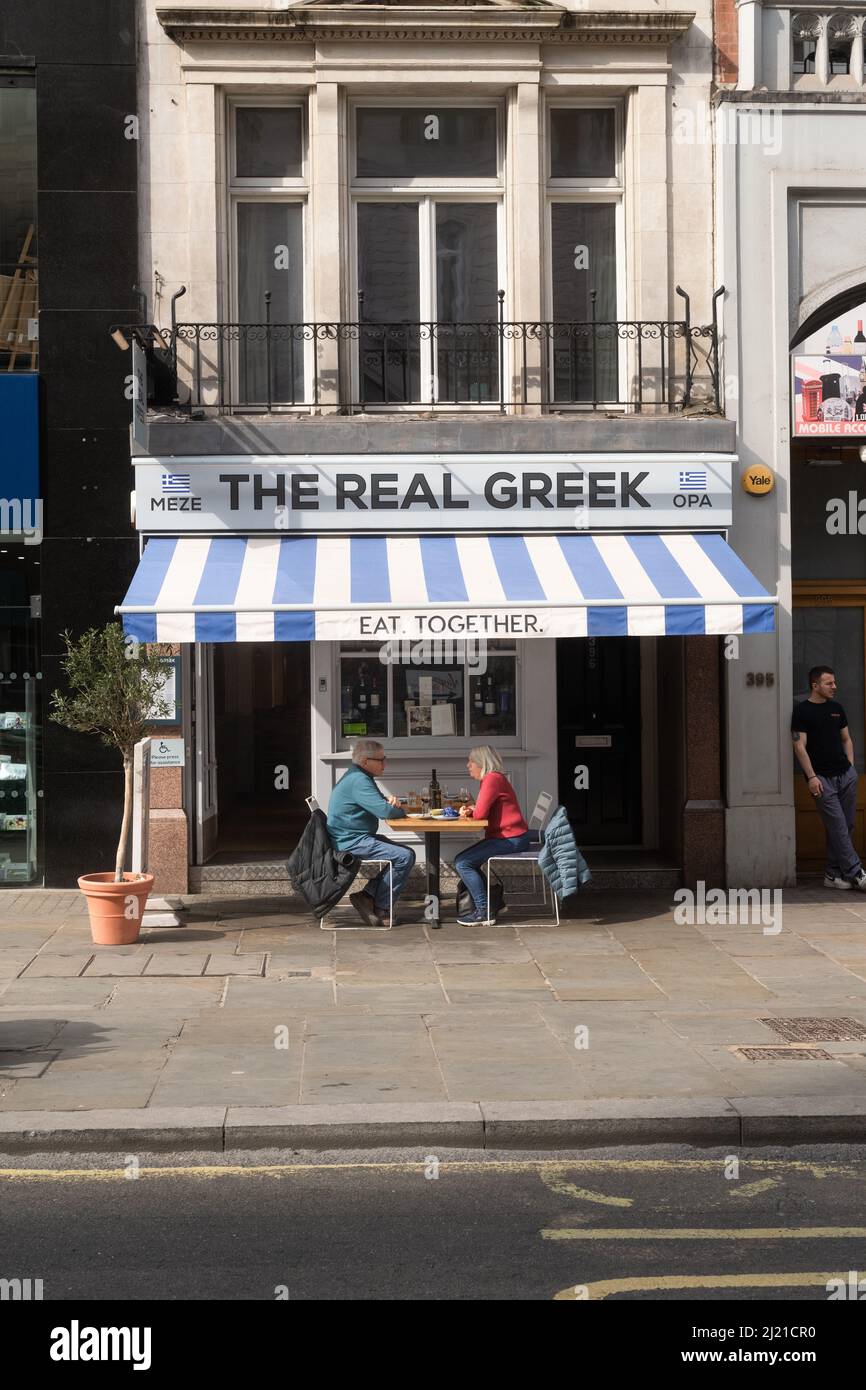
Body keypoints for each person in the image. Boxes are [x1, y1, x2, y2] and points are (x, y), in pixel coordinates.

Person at [791, 666, 866, 891]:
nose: (834, 687)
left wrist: (851, 768)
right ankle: (856, 873)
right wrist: (811, 777)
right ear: (815, 686)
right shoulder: (802, 711)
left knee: (847, 825)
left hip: (845, 776)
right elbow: (798, 746)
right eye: (829, 683)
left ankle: (832, 874)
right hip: (821, 779)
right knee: (838, 825)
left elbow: (846, 739)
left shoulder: (837, 708)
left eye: (834, 682)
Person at [326, 739, 415, 925]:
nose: (385, 763)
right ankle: (381, 907)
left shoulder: (360, 776)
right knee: (405, 856)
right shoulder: (359, 780)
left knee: (407, 854)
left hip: (355, 836)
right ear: (366, 761)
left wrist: (390, 803)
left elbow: (381, 803)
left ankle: (367, 896)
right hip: (351, 841)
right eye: (381, 759)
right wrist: (399, 809)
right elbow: (384, 811)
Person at [453, 745, 531, 924]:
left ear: (481, 763)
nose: (468, 765)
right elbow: (483, 810)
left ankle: (484, 911)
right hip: (511, 835)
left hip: (510, 838)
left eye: (471, 761)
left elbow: (480, 815)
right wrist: (473, 809)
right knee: (465, 861)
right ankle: (491, 904)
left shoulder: (491, 779)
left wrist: (473, 810)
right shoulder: (494, 778)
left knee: (463, 863)